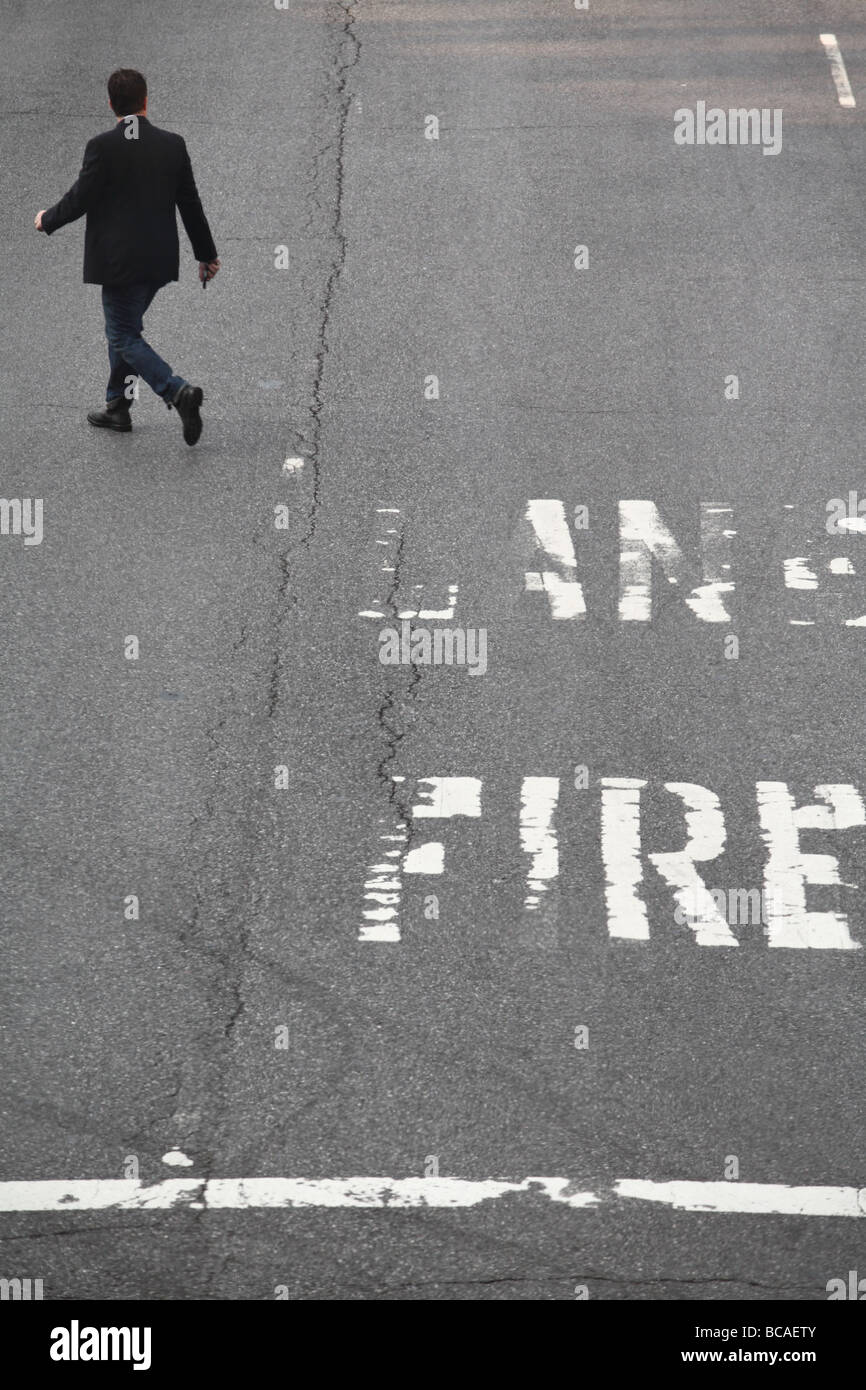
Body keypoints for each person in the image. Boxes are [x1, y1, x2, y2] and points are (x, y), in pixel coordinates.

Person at [35, 68, 219, 446]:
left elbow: (80, 198)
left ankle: (177, 391)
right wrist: (206, 255)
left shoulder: (103, 146)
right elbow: (190, 204)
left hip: (120, 264)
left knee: (121, 333)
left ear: (110, 104)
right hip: (158, 262)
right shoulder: (173, 144)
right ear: (146, 100)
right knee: (125, 331)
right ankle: (117, 405)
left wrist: (46, 220)